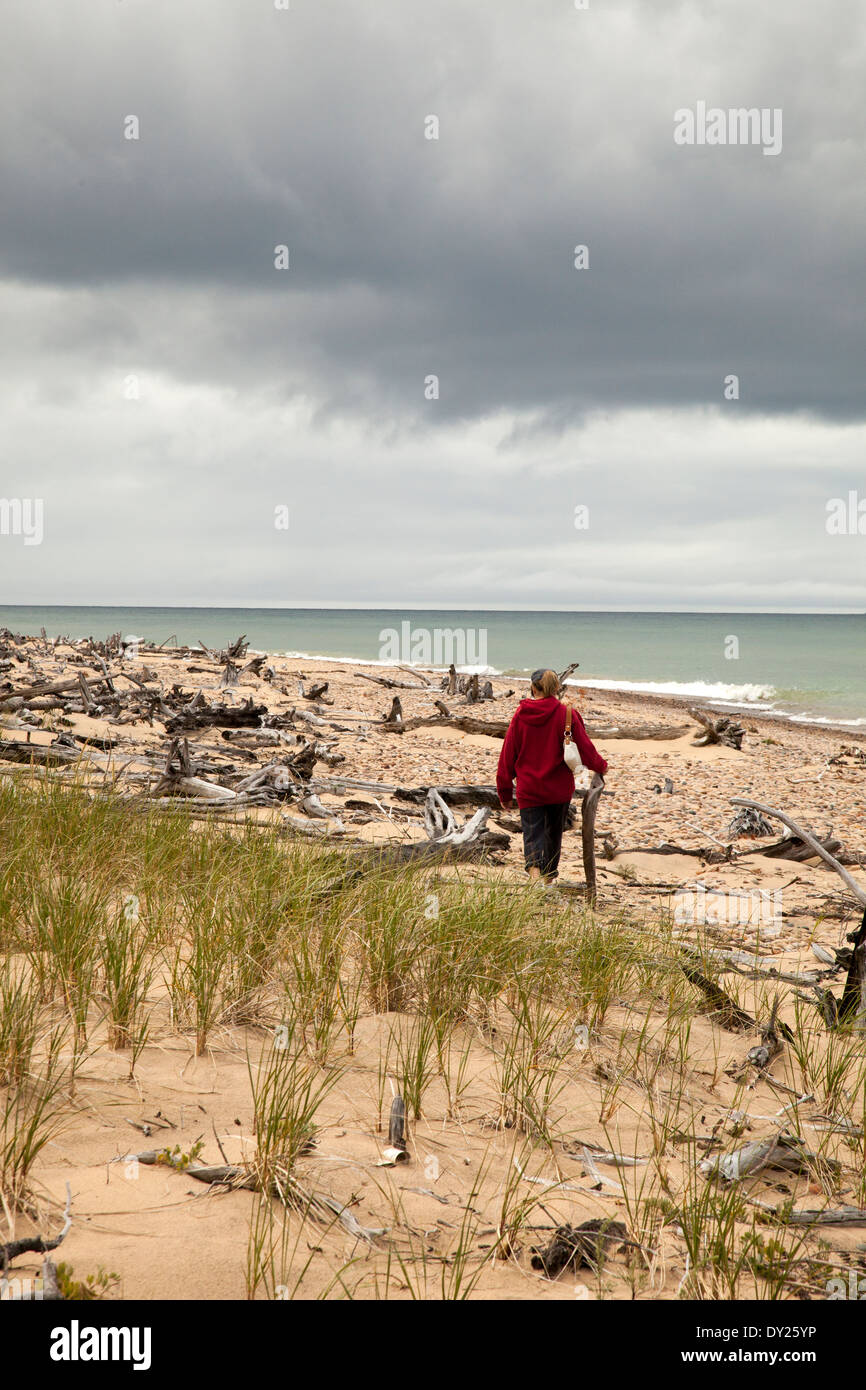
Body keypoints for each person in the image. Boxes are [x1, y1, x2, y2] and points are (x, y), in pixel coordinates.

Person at [496, 668, 608, 885]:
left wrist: (504, 791)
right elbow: (586, 749)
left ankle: (534, 875)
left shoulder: (521, 715)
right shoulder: (567, 714)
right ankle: (547, 880)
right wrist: (601, 766)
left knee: (532, 833)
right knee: (553, 835)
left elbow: (508, 755)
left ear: (533, 688)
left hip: (529, 787)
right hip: (558, 789)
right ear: (557, 688)